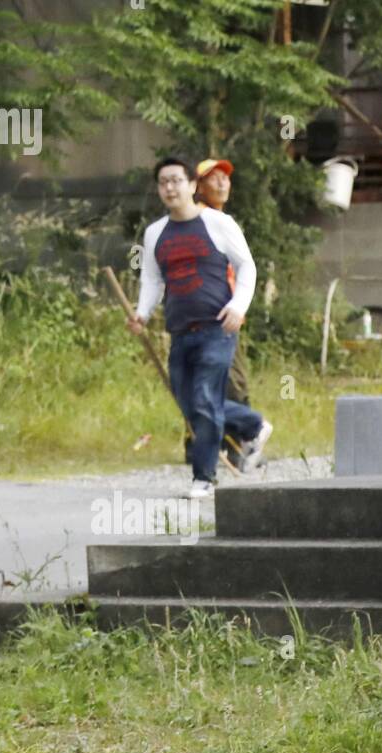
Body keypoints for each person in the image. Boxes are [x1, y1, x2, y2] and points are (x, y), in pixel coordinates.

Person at [130, 156, 255, 498]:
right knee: (189, 403)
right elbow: (152, 281)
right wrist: (142, 314)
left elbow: (247, 267)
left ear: (191, 185)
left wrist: (238, 306)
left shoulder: (218, 223)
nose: (169, 188)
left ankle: (204, 478)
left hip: (218, 327)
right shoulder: (155, 232)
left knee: (203, 399)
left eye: (176, 180)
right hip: (180, 331)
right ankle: (252, 424)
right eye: (163, 182)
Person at [194, 157, 273, 470]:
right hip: (209, 315)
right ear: (198, 187)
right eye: (214, 178)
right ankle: (240, 439)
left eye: (225, 177)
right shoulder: (200, 221)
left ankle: (227, 444)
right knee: (228, 382)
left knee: (222, 381)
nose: (223, 183)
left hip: (225, 313)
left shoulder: (222, 221)